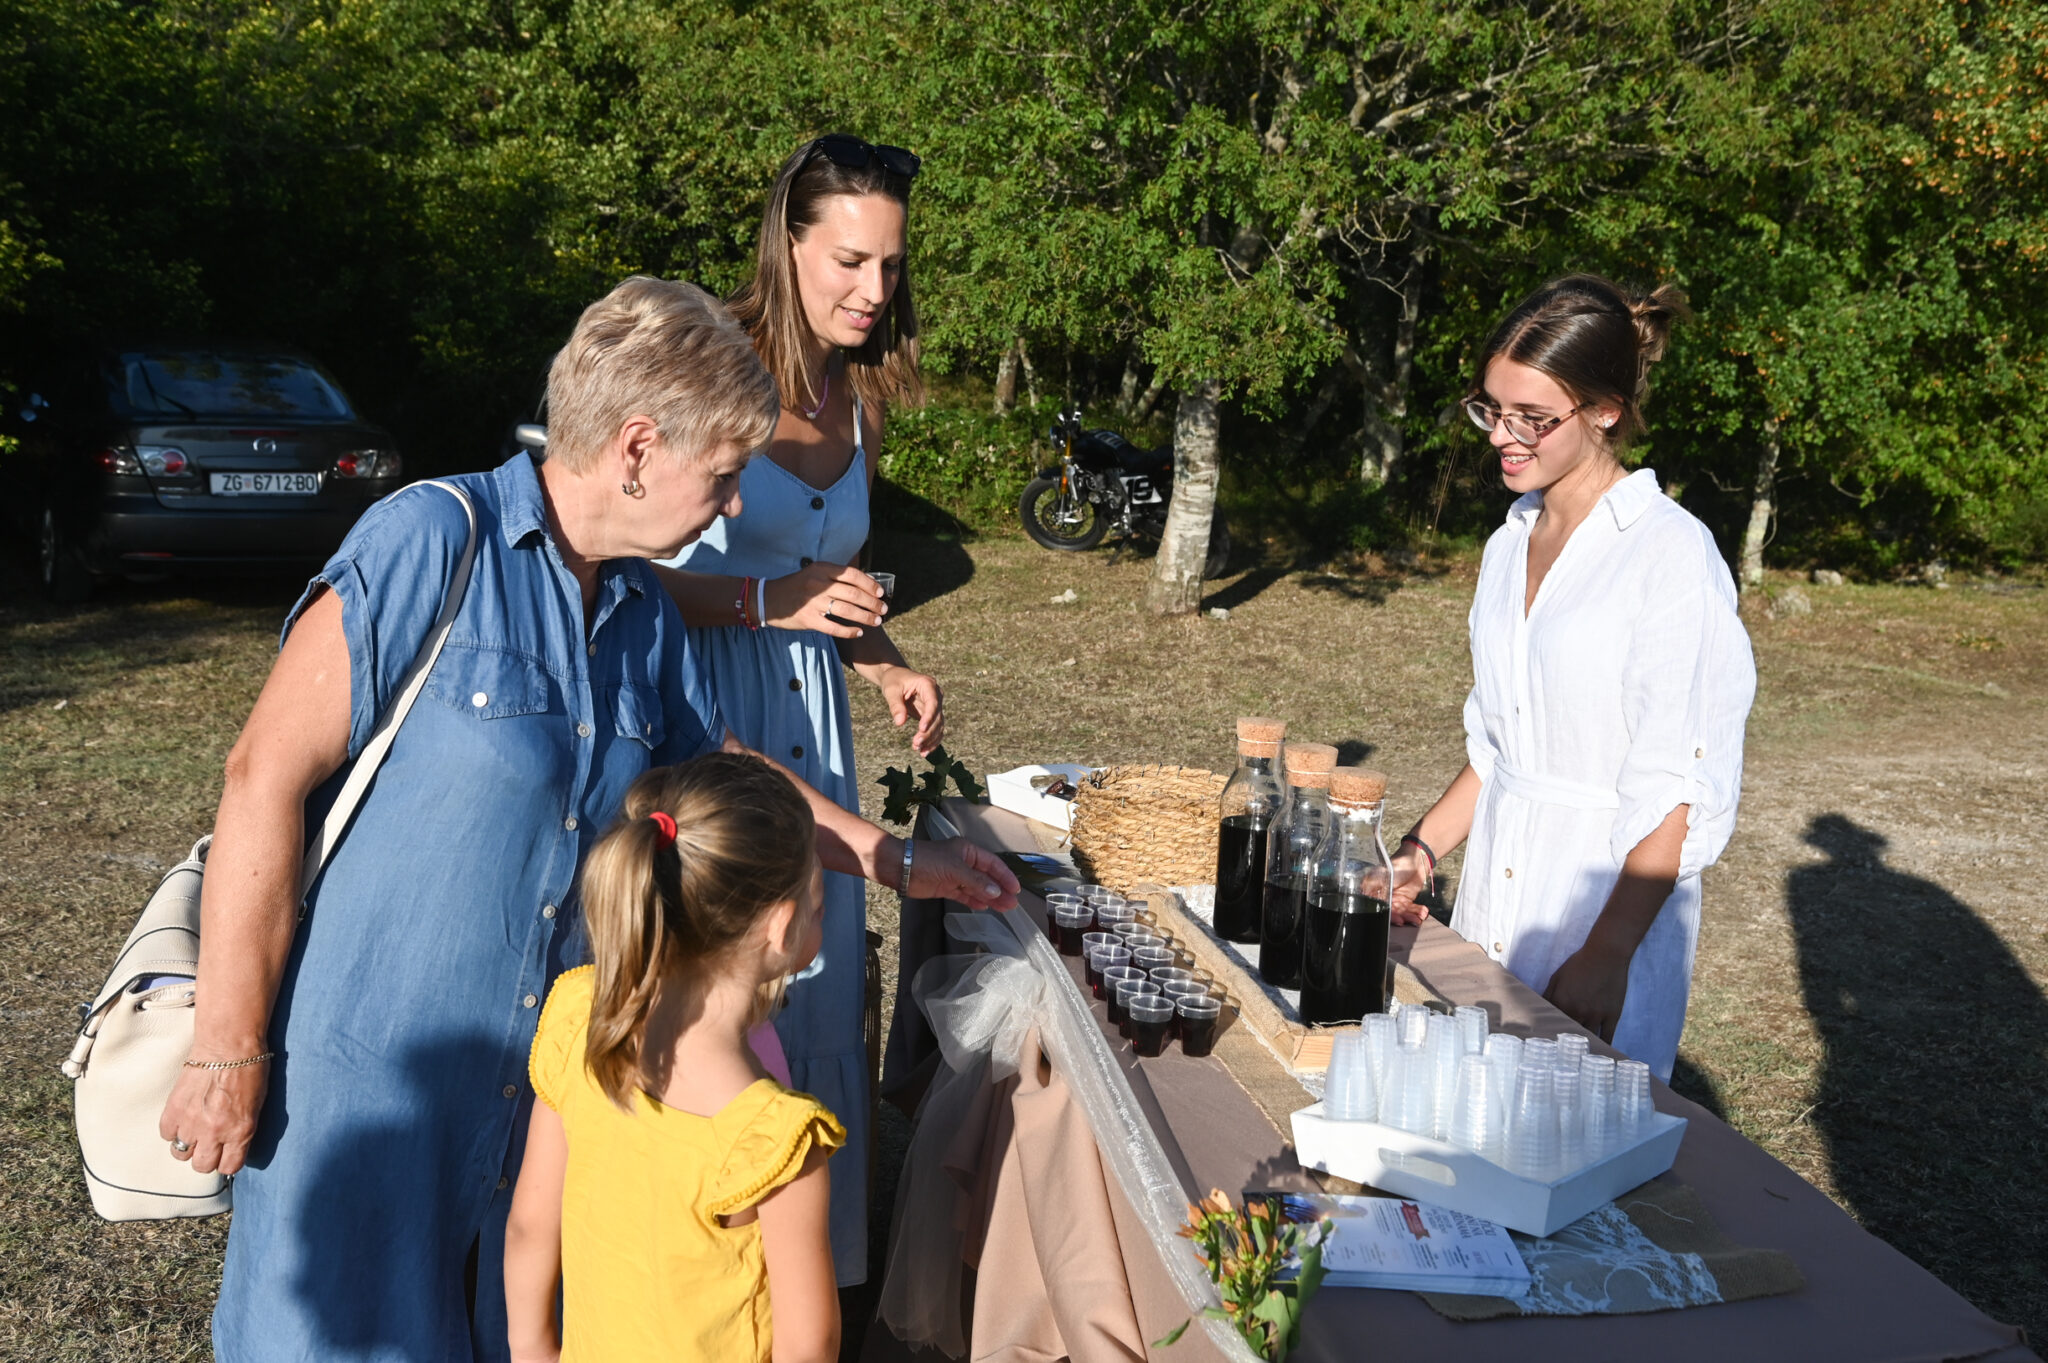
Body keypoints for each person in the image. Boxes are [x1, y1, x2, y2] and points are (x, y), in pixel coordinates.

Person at [160, 275, 1016, 1362]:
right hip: (363, 1105)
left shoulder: (642, 610)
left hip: (532, 1105)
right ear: (638, 447)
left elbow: (725, 773)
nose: (735, 505)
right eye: (723, 474)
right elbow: (261, 779)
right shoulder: (432, 540)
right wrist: (227, 1050)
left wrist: (895, 861)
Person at [652, 134, 935, 1283]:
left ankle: (805, 1264)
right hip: (705, 708)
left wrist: (881, 660)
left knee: (810, 977)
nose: (874, 292)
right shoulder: (710, 367)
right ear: (789, 242)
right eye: (850, 262)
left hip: (813, 715)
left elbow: (827, 575)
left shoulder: (857, 397)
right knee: (712, 971)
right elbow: (634, 573)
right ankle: (691, 1257)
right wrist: (771, 598)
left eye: (890, 267)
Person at [1388, 274, 1756, 1082]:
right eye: (1491, 408)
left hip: (1597, 916)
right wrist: (1421, 849)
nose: (1503, 436)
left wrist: (1607, 951)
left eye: (1533, 418)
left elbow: (1680, 783)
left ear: (1605, 411)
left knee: (1572, 1175)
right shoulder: (1507, 542)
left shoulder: (1668, 554)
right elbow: (1501, 743)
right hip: (1496, 907)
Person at [506, 753, 843, 1363]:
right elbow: (809, 1344)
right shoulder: (775, 1142)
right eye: (819, 908)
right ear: (783, 926)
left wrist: (532, 1349)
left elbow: (530, 1225)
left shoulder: (580, 1020)